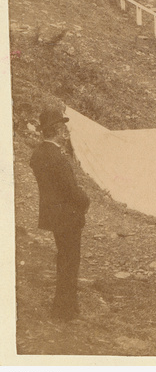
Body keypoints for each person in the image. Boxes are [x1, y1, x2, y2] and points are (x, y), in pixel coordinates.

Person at [29, 104, 90, 321]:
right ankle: (65, 310)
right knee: (70, 262)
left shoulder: (38, 154)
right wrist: (85, 200)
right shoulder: (57, 157)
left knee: (63, 259)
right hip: (68, 216)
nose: (65, 132)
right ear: (55, 130)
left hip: (53, 216)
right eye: (62, 128)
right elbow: (71, 191)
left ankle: (64, 308)